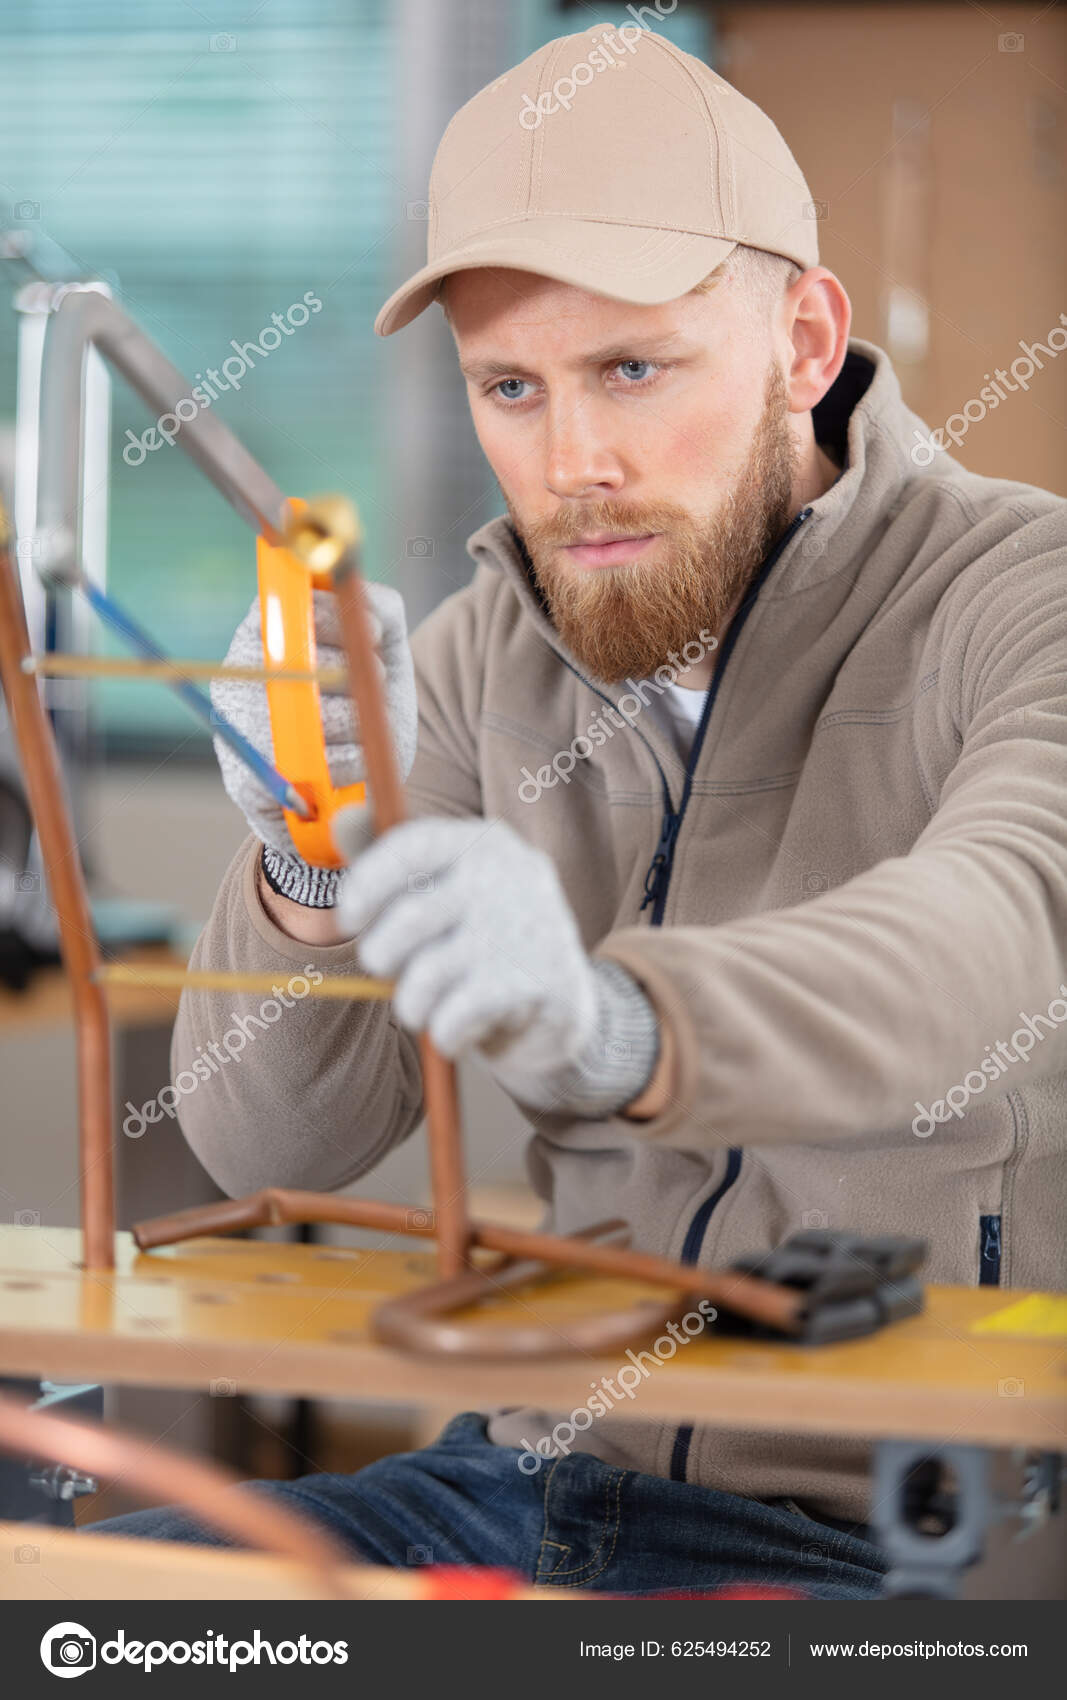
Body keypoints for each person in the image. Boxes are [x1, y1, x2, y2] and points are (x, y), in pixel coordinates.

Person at [86, 27, 1067, 1598]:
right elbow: (274, 1141)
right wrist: (303, 864)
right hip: (525, 1479)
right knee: (76, 1613)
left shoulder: (1024, 593)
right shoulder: (481, 657)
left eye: (633, 368)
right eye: (510, 388)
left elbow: (1009, 919)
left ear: (804, 342)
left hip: (906, 1534)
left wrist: (621, 1025)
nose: (574, 464)